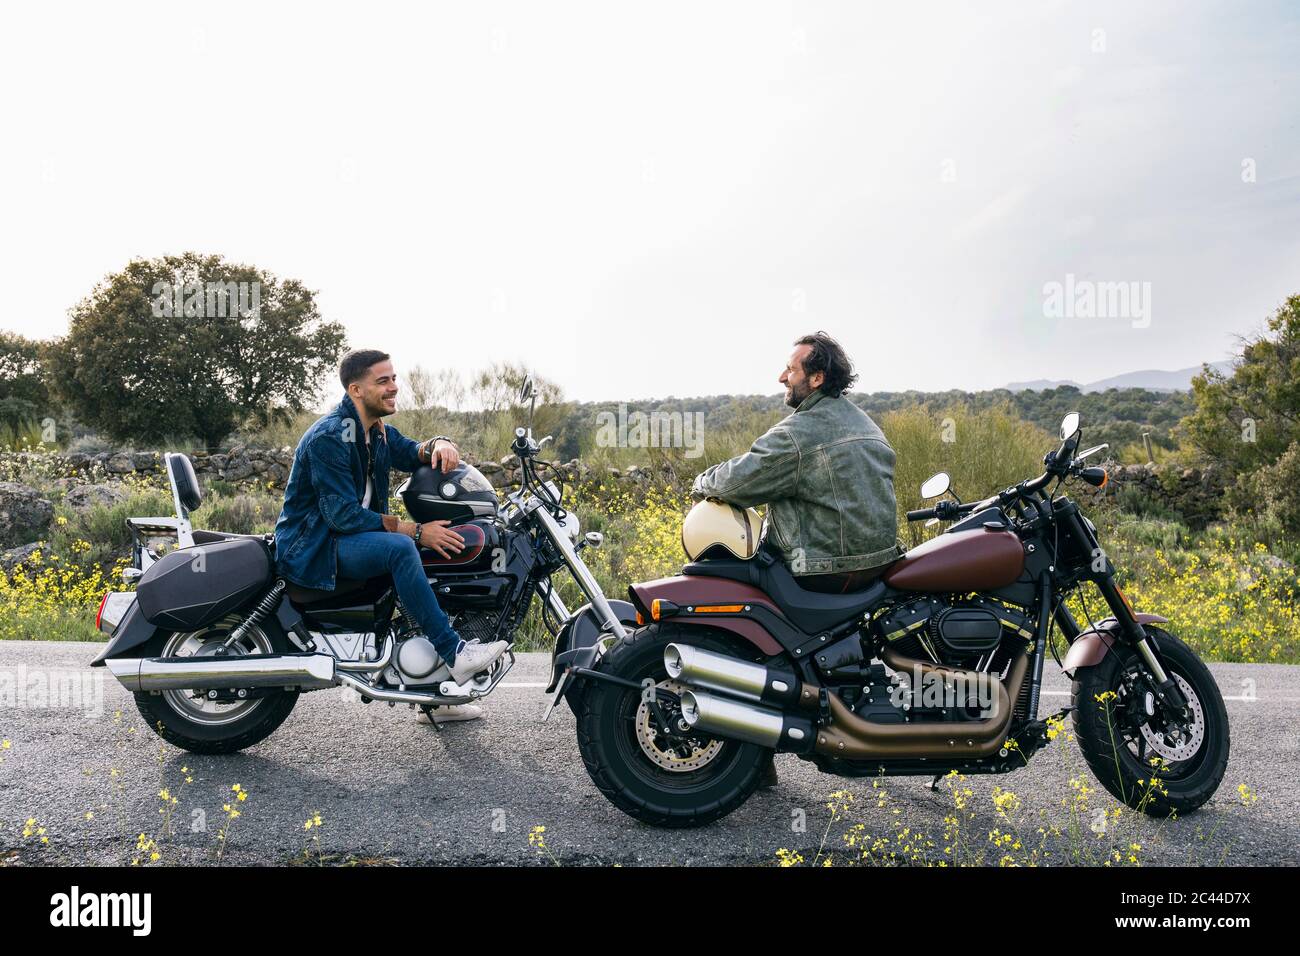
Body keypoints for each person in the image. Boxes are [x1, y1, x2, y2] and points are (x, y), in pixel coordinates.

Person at [273, 349, 507, 721]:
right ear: (356, 390)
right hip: (316, 547)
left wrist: (439, 443)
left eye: (394, 378)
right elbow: (341, 514)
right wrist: (416, 531)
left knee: (431, 557)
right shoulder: (331, 436)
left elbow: (412, 450)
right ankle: (455, 654)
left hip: (340, 540)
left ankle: (436, 693)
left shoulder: (375, 431)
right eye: (383, 381)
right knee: (401, 549)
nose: (394, 387)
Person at [692, 330, 903, 592]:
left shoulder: (797, 434)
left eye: (791, 371)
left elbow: (735, 482)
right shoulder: (867, 425)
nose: (782, 378)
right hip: (878, 565)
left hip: (823, 572)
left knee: (719, 581)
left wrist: (702, 482)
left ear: (817, 378)